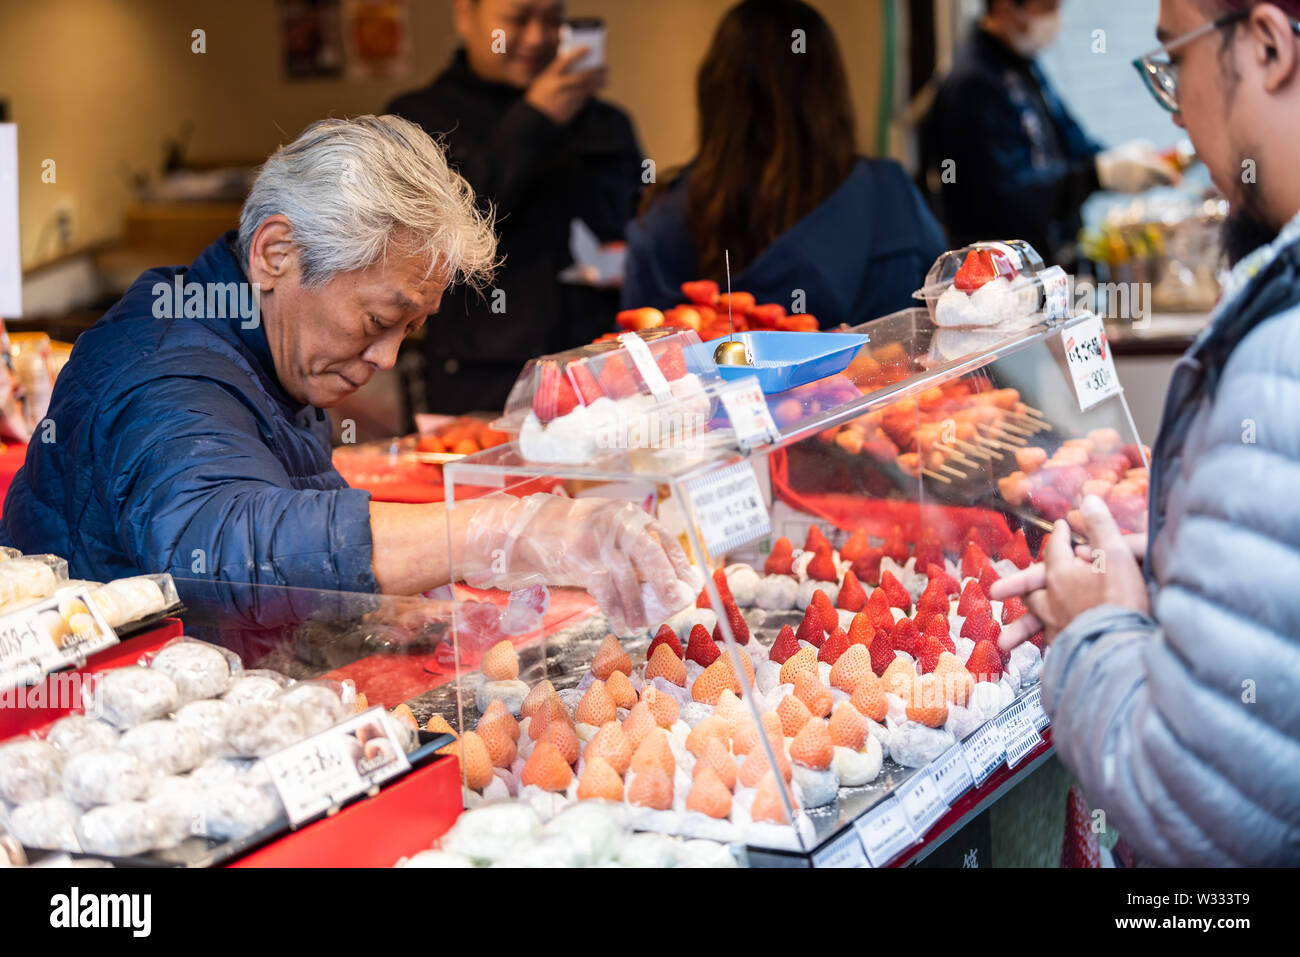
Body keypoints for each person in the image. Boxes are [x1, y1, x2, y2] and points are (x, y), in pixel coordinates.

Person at [0, 116, 696, 635]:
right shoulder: (162, 366)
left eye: (409, 330)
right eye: (376, 320)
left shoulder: (272, 345)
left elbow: (302, 526)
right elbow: (226, 545)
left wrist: (394, 607)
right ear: (275, 253)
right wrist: (499, 530)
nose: (387, 358)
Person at [992, 0, 1300, 865]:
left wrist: (1098, 629)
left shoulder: (1282, 354)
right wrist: (1189, 590)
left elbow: (1199, 811)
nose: (1174, 109)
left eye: (1176, 59)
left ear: (1268, 46)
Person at [622, 0, 947, 327]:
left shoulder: (665, 219)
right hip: (894, 377)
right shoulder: (889, 196)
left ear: (713, 91)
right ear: (830, 92)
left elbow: (636, 359)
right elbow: (950, 307)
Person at [386, 0, 643, 414]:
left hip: (601, 365)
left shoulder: (607, 122)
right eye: (518, 20)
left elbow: (635, 219)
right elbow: (444, 224)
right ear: (465, 15)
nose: (539, 37)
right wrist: (536, 119)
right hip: (483, 377)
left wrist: (630, 254)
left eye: (553, 20)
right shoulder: (416, 116)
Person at [922, 0, 1178, 266]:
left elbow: (1068, 138)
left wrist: (1113, 160)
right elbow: (1007, 199)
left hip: (1052, 259)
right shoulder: (972, 84)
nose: (1057, 17)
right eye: (1046, 7)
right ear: (1005, 9)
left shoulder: (1022, 63)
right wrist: (1096, 175)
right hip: (1003, 277)